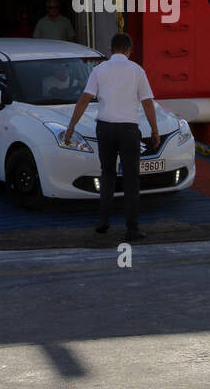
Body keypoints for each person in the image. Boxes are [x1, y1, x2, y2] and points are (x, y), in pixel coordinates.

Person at [62, 33, 159, 241]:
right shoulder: (137, 71)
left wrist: (71, 127)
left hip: (105, 129)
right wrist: (155, 130)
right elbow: (147, 103)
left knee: (107, 175)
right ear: (128, 50)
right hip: (129, 130)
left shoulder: (99, 70)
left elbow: (84, 99)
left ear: (111, 49)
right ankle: (132, 229)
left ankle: (103, 223)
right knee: (132, 179)